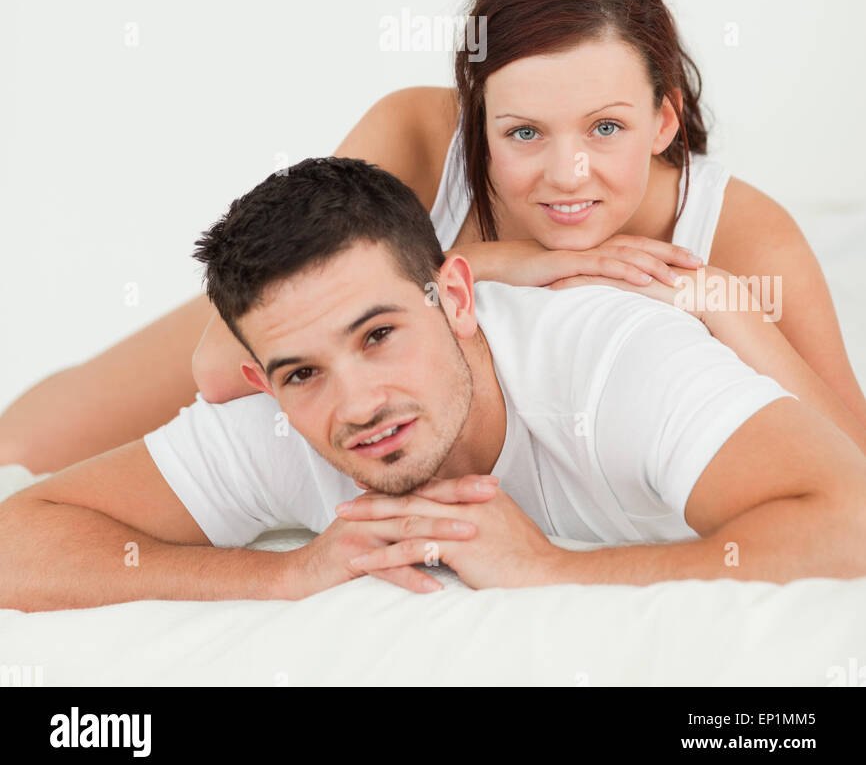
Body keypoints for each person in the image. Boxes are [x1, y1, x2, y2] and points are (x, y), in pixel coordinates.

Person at [2, 0, 865, 473]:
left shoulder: (744, 233)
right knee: (32, 446)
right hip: (307, 333)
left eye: (606, 127)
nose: (568, 176)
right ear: (478, 121)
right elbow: (218, 368)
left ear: (664, 117)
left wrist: (721, 308)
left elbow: (852, 464)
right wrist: (506, 262)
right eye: (524, 134)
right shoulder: (418, 135)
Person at [3, 156, 866, 611]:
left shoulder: (611, 360)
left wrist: (555, 574)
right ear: (262, 379)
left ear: (455, 296)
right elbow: (18, 540)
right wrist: (277, 577)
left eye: (379, 335)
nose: (357, 405)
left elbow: (846, 520)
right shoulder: (284, 417)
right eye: (301, 373)